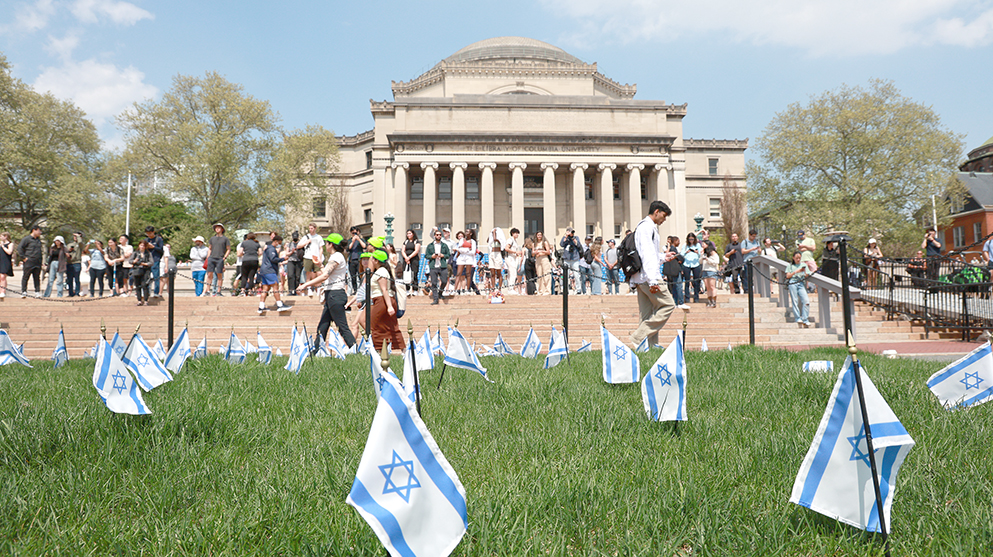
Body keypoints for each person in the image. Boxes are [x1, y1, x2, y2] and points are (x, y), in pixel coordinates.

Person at [630, 201, 678, 346]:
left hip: (641, 276)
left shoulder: (644, 226)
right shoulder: (647, 227)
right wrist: (653, 281)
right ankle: (639, 338)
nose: (664, 220)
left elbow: (648, 253)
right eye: (663, 216)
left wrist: (663, 257)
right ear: (656, 211)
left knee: (646, 314)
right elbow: (647, 254)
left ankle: (647, 347)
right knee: (668, 305)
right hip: (648, 276)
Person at [299, 233, 354, 347]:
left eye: (327, 243)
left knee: (342, 327)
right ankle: (317, 349)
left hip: (335, 294)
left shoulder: (336, 256)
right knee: (323, 326)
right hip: (332, 295)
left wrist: (306, 284)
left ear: (331, 244)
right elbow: (328, 273)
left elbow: (325, 276)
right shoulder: (336, 256)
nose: (325, 246)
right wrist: (320, 265)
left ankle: (355, 348)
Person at [368, 249, 405, 352]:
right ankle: (401, 349)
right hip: (384, 300)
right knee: (391, 326)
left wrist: (389, 306)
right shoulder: (382, 271)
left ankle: (379, 349)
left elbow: (384, 289)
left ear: (376, 260)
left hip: (382, 300)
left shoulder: (381, 272)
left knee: (376, 325)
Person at [256, 234, 290, 313]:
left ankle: (261, 306)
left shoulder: (268, 248)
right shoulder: (271, 249)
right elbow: (273, 259)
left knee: (265, 289)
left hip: (264, 270)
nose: (279, 245)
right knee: (275, 286)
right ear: (275, 241)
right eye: (279, 243)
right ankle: (280, 305)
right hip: (269, 270)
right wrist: (283, 259)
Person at [424, 228, 451, 305]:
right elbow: (426, 255)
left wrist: (443, 255)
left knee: (444, 281)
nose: (438, 236)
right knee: (434, 282)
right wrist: (432, 256)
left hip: (442, 265)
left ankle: (440, 293)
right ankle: (436, 299)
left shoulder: (444, 245)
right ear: (434, 235)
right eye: (437, 235)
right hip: (433, 265)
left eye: (440, 235)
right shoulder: (430, 245)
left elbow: (448, 255)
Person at [297, 223, 325, 297]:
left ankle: (318, 289)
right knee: (308, 274)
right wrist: (306, 242)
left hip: (316, 257)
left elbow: (321, 248)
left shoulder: (319, 237)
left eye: (312, 228)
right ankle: (309, 289)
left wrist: (320, 258)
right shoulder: (306, 237)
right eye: (309, 228)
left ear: (315, 228)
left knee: (319, 274)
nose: (310, 230)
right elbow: (298, 246)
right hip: (308, 256)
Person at [785, 251, 811, 328]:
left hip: (801, 283)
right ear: (793, 258)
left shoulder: (803, 265)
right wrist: (796, 271)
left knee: (806, 301)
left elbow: (807, 275)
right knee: (795, 300)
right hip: (793, 282)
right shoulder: (790, 265)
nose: (798, 259)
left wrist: (804, 271)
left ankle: (805, 318)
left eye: (799, 258)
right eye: (796, 258)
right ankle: (797, 318)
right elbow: (788, 276)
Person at [17, 226, 44, 297]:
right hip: (29, 261)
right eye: (39, 231)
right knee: (26, 276)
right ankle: (24, 291)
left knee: (37, 277)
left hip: (37, 261)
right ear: (34, 230)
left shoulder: (38, 240)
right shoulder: (26, 239)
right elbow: (20, 248)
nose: (40, 232)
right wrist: (23, 257)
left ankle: (37, 291)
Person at [206, 223, 230, 296]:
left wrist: (224, 258)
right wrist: (208, 257)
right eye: (216, 228)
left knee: (219, 275)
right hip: (212, 257)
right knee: (209, 274)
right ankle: (207, 290)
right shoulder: (212, 238)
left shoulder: (225, 239)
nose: (217, 229)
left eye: (219, 228)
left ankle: (218, 291)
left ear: (222, 229)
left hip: (220, 258)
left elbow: (228, 249)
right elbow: (210, 248)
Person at [663, 236, 686, 308]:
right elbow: (681, 258)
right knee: (678, 286)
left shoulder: (670, 248)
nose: (679, 243)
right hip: (675, 270)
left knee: (674, 287)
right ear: (675, 241)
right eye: (678, 241)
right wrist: (680, 259)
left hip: (671, 270)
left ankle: (675, 302)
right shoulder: (673, 249)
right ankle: (681, 302)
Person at [680, 232, 703, 303]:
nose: (691, 241)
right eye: (690, 239)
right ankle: (687, 298)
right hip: (687, 264)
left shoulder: (698, 245)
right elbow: (681, 254)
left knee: (696, 282)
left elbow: (701, 254)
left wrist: (696, 252)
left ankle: (696, 298)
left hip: (695, 264)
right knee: (687, 281)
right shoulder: (685, 245)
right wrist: (686, 252)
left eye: (692, 239)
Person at [130, 240, 154, 305]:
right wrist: (135, 261)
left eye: (143, 245)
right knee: (137, 286)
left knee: (145, 285)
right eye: (141, 245)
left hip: (145, 270)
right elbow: (130, 261)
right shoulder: (135, 253)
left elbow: (151, 262)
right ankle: (139, 300)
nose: (142, 247)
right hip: (137, 270)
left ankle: (146, 300)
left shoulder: (148, 253)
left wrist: (144, 264)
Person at [560, 228, 583, 294]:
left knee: (576, 274)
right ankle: (565, 289)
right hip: (567, 258)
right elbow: (561, 244)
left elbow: (578, 245)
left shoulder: (576, 237)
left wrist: (573, 239)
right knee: (565, 275)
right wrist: (566, 236)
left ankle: (578, 289)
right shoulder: (565, 238)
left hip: (575, 258)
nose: (571, 233)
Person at [398, 229, 421, 295]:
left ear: (413, 234)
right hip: (406, 260)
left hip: (414, 259)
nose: (408, 235)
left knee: (414, 273)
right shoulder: (405, 242)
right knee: (406, 274)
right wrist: (406, 257)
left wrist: (409, 257)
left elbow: (416, 251)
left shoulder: (416, 241)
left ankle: (415, 289)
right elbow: (403, 250)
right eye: (407, 233)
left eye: (410, 233)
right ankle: (407, 289)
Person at [144, 226, 164, 298]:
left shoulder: (158, 239)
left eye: (150, 233)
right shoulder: (146, 240)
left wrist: (153, 247)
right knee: (147, 277)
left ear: (153, 232)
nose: (149, 235)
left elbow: (161, 250)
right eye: (147, 233)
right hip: (147, 260)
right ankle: (146, 292)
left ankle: (156, 292)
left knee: (156, 277)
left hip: (155, 259)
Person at [533, 231, 552, 295]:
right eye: (538, 235)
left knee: (546, 274)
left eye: (540, 235)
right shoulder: (534, 244)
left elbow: (548, 252)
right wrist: (535, 252)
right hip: (537, 259)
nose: (539, 236)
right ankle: (540, 290)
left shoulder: (545, 242)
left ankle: (547, 290)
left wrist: (541, 252)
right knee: (539, 275)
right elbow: (532, 253)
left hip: (544, 258)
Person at [284, 231, 303, 295]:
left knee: (297, 276)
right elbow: (286, 253)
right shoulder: (289, 244)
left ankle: (297, 290)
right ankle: (291, 290)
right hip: (291, 261)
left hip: (298, 261)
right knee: (290, 275)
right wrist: (292, 252)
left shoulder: (300, 244)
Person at [504, 228, 521, 294]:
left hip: (514, 258)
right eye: (515, 233)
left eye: (517, 233)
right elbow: (506, 248)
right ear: (512, 233)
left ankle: (511, 287)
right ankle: (510, 288)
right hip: (510, 257)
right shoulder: (510, 240)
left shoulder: (515, 241)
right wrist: (515, 252)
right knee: (512, 272)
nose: (517, 235)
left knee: (512, 273)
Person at [66, 232, 83, 297]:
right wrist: (69, 250)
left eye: (77, 236)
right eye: (75, 236)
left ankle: (77, 293)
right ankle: (70, 293)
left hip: (77, 263)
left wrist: (78, 236)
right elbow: (66, 252)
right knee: (69, 279)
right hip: (69, 263)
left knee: (77, 279)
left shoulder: (80, 245)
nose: (75, 237)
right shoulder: (69, 244)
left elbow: (80, 243)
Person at [0, 232, 14, 298]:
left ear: (5, 236)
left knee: (3, 277)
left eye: (1, 236)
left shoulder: (10, 244)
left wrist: (3, 246)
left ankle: (3, 292)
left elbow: (9, 252)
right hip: (0, 261)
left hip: (5, 262)